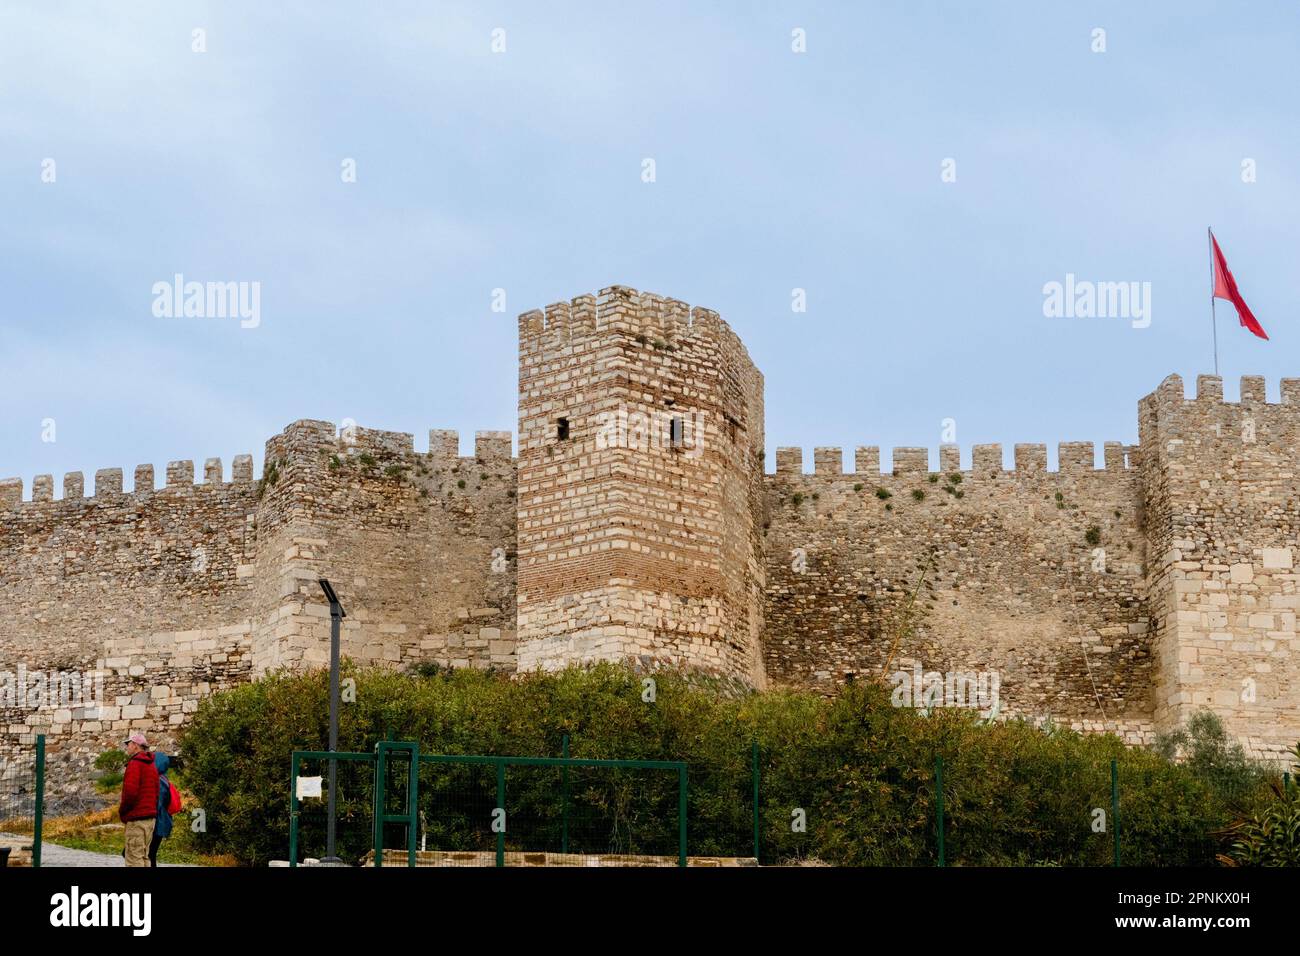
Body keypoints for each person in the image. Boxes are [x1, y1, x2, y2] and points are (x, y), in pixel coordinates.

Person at [119, 733, 159, 867]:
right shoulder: (151, 765)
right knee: (144, 857)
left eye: (128, 744)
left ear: (135, 745)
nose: (127, 747)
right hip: (150, 818)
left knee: (133, 859)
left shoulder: (135, 764)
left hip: (137, 818)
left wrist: (123, 812)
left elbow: (130, 793)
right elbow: (156, 791)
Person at [149, 751, 175, 867]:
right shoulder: (164, 779)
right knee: (151, 854)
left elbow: (157, 804)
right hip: (163, 822)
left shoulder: (158, 781)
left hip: (157, 823)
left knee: (148, 854)